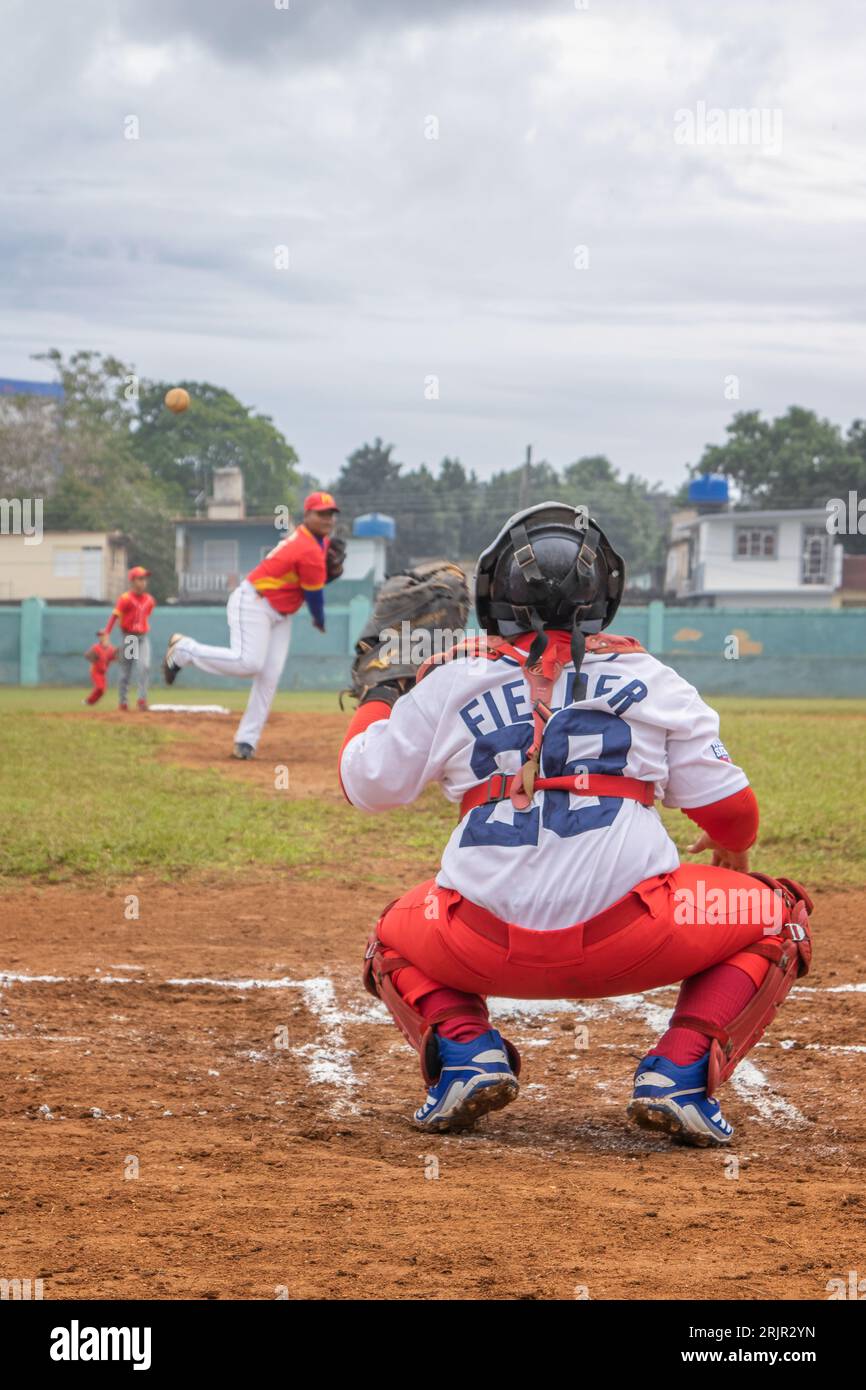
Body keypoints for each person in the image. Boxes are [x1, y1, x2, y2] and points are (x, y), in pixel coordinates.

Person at [339, 502, 812, 1145]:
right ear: (604, 592)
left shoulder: (450, 679)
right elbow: (732, 812)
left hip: (478, 940)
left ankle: (465, 1053)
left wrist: (382, 692)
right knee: (779, 915)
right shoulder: (654, 679)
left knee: (393, 936)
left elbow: (364, 785)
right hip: (634, 936)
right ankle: (679, 1073)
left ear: (495, 592)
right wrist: (732, 847)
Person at [163, 491, 343, 759]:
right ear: (307, 516)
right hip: (254, 603)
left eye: (331, 514)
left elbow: (318, 561)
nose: (327, 519)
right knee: (249, 663)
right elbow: (315, 599)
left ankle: (246, 741)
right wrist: (320, 621)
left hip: (280, 613)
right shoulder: (308, 550)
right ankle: (184, 650)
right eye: (321, 513)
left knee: (269, 677)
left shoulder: (316, 542)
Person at [103, 566, 156, 711]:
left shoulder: (150, 600)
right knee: (126, 670)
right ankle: (123, 702)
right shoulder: (125, 599)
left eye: (145, 579)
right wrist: (107, 633)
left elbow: (147, 614)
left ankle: (142, 700)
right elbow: (115, 616)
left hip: (142, 637)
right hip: (130, 638)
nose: (143, 582)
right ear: (132, 581)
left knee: (144, 666)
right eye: (140, 578)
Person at [83, 630, 117, 706]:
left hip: (103, 673)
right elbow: (87, 655)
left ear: (107, 636)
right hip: (95, 671)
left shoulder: (111, 649)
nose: (101, 637)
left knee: (102, 690)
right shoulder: (96, 647)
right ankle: (88, 701)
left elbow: (115, 657)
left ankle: (90, 702)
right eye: (100, 635)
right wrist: (92, 657)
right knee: (100, 687)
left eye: (102, 635)